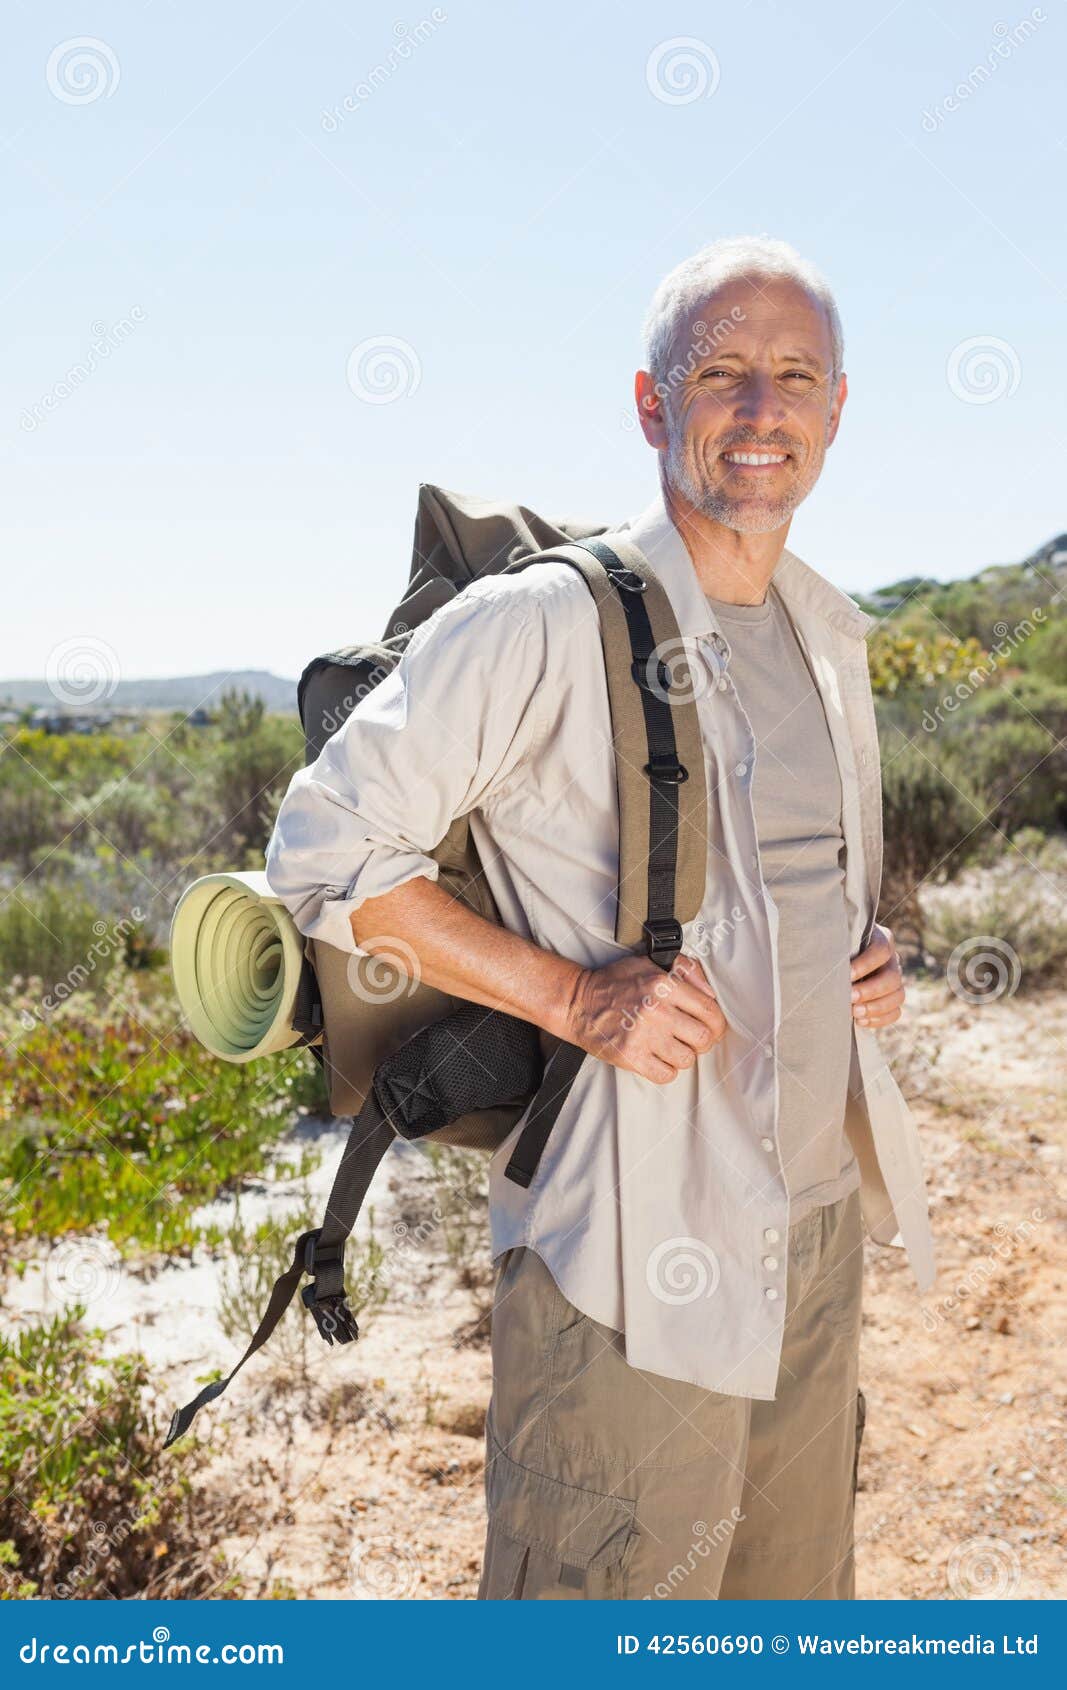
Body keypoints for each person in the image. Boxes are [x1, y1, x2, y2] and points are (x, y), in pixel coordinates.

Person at [265, 234, 935, 1600]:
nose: (762, 412)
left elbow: (792, 880)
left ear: (839, 409)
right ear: (652, 405)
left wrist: (861, 961)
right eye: (723, 374)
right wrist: (574, 1001)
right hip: (628, 1249)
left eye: (795, 376)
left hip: (811, 1241)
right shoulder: (542, 624)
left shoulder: (829, 634)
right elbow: (321, 852)